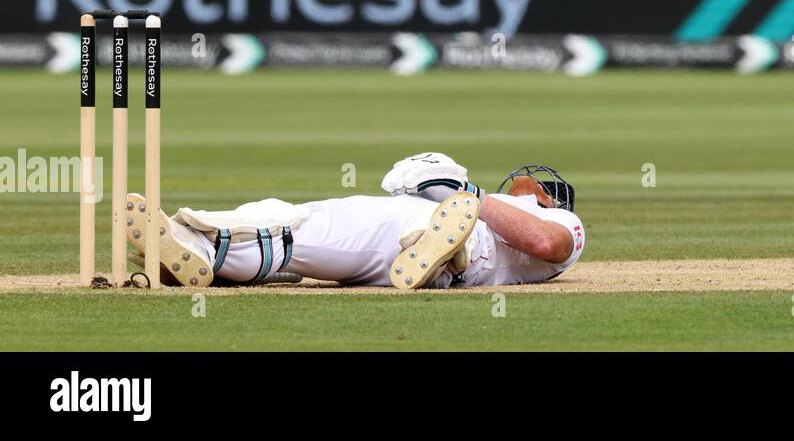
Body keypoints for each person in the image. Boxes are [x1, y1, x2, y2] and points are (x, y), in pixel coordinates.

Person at [125, 158, 583, 291]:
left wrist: (472, 196)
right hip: (407, 257)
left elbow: (545, 241)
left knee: (301, 223)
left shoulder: (562, 218)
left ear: (546, 197)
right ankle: (207, 257)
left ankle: (204, 246)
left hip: (438, 230)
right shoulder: (480, 202)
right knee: (296, 252)